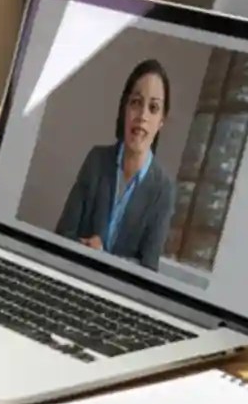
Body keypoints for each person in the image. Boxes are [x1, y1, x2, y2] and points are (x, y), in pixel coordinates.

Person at [55, 59, 177, 271]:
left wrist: (104, 258)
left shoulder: (163, 190)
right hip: (75, 274)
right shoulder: (96, 160)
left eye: (153, 108)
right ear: (124, 108)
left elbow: (148, 269)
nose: (142, 116)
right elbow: (63, 234)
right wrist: (83, 249)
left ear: (161, 121)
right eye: (136, 102)